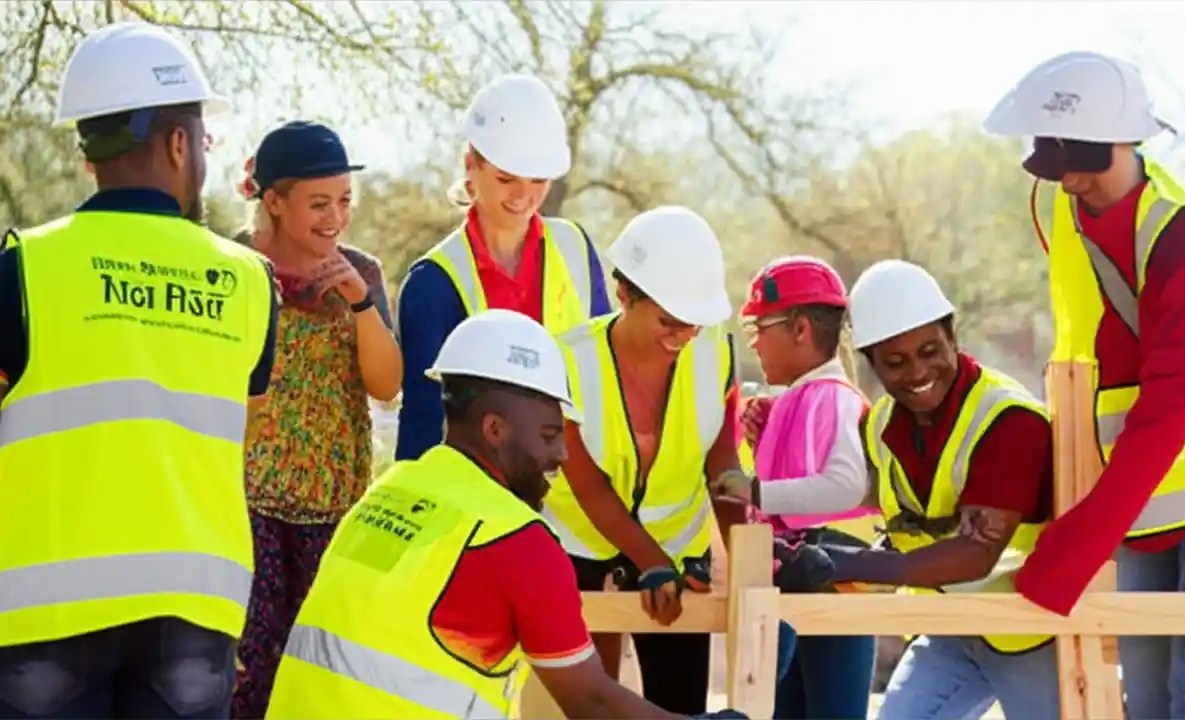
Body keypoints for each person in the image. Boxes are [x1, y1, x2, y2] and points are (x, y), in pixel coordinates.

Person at [982, 51, 1185, 720]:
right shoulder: (1072, 211)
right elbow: (1076, 356)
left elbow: (1171, 404)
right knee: (1145, 697)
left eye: (1076, 164)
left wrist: (1074, 547)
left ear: (1117, 142)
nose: (1065, 184)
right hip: (1143, 492)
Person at [263, 309, 747, 720]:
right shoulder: (513, 539)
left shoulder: (389, 491)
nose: (561, 454)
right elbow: (590, 702)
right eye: (547, 436)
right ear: (494, 429)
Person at [0, 22, 278, 719]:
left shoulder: (25, 267)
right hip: (192, 602)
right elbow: (252, 423)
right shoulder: (249, 281)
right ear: (179, 143)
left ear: (89, 152)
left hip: (43, 604)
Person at [783, 260, 1060, 720]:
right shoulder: (880, 425)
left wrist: (842, 563)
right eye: (895, 362)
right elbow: (872, 508)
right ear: (871, 362)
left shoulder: (1009, 420)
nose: (918, 372)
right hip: (949, 630)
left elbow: (975, 555)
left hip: (1028, 633)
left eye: (931, 350)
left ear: (953, 336)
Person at [229, 120, 403, 719]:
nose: (336, 218)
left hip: (335, 510)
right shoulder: (233, 267)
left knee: (324, 676)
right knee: (246, 678)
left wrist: (358, 302)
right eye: (319, 203)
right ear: (272, 200)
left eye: (345, 202)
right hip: (243, 508)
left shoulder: (363, 272)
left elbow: (387, 387)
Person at [540, 205, 743, 715]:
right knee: (587, 705)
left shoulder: (716, 351)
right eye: (670, 321)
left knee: (680, 709)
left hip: (679, 547)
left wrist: (738, 562)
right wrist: (650, 563)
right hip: (577, 549)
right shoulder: (565, 361)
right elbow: (587, 485)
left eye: (694, 323)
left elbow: (723, 466)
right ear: (624, 294)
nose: (684, 336)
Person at [395, 72, 611, 461]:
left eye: (538, 180)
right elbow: (423, 427)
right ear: (471, 167)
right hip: (482, 504)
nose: (523, 197)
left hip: (578, 501)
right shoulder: (432, 283)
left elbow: (608, 378)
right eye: (506, 178)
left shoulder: (576, 249)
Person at [712, 256, 877, 719]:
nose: (756, 346)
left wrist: (756, 490)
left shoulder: (835, 398)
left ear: (800, 329)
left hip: (837, 584)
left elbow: (845, 486)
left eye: (758, 330)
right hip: (796, 582)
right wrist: (763, 440)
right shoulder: (800, 398)